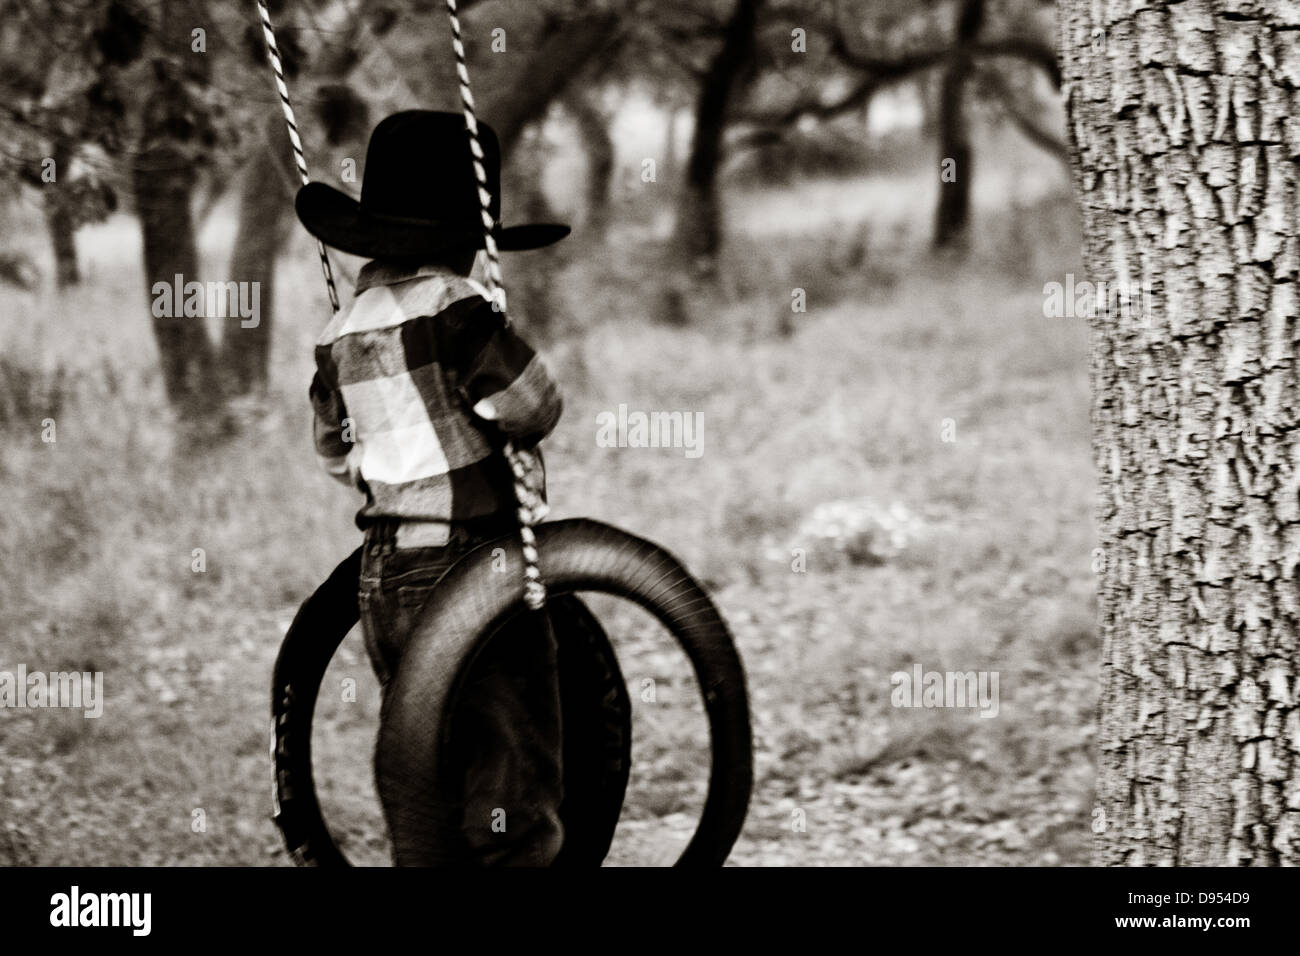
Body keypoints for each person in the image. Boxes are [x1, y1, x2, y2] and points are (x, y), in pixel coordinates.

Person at [295, 110, 570, 865]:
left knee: (429, 744)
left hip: (385, 579)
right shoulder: (459, 311)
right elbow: (532, 406)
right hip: (476, 565)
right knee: (508, 749)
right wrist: (496, 331)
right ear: (467, 240)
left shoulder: (338, 334)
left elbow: (332, 449)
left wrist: (394, 463)